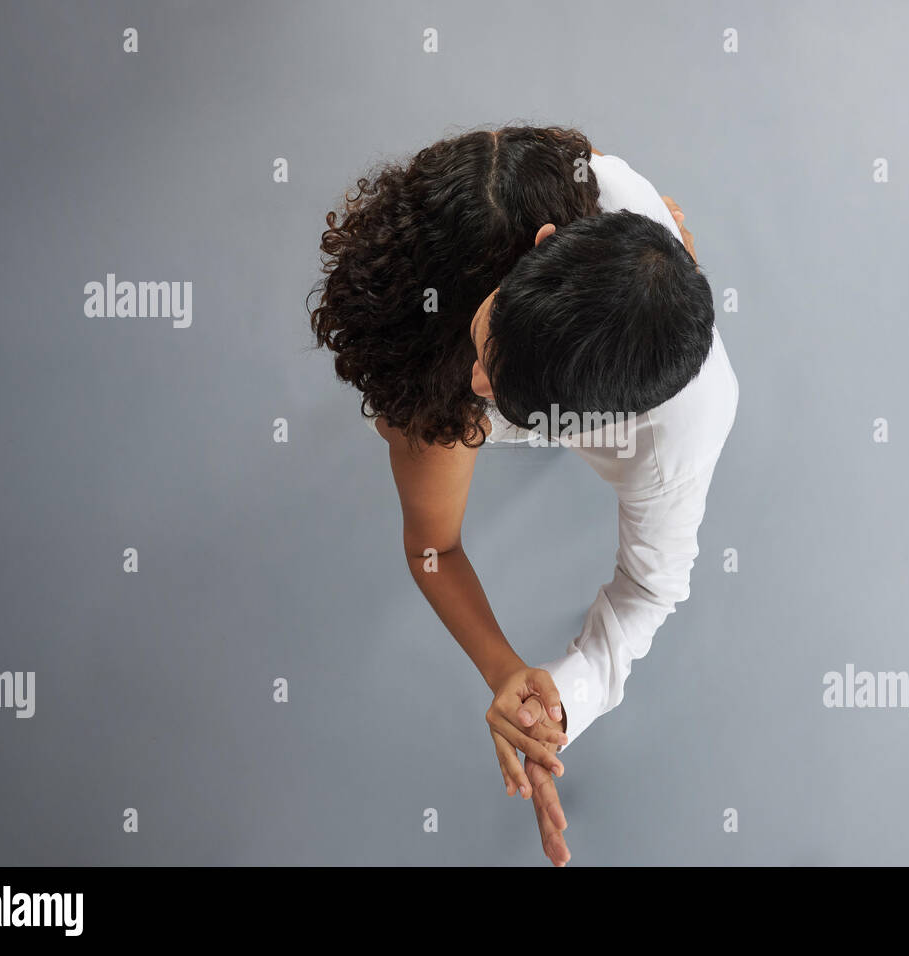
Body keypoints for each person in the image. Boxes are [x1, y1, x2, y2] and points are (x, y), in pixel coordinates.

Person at [308, 127, 738, 864]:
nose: (474, 390)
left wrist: (542, 692)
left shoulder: (675, 443)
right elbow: (433, 541)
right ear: (546, 243)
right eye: (486, 351)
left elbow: (647, 594)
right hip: (528, 266)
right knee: (420, 410)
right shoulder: (584, 183)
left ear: (581, 422)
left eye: (495, 391)